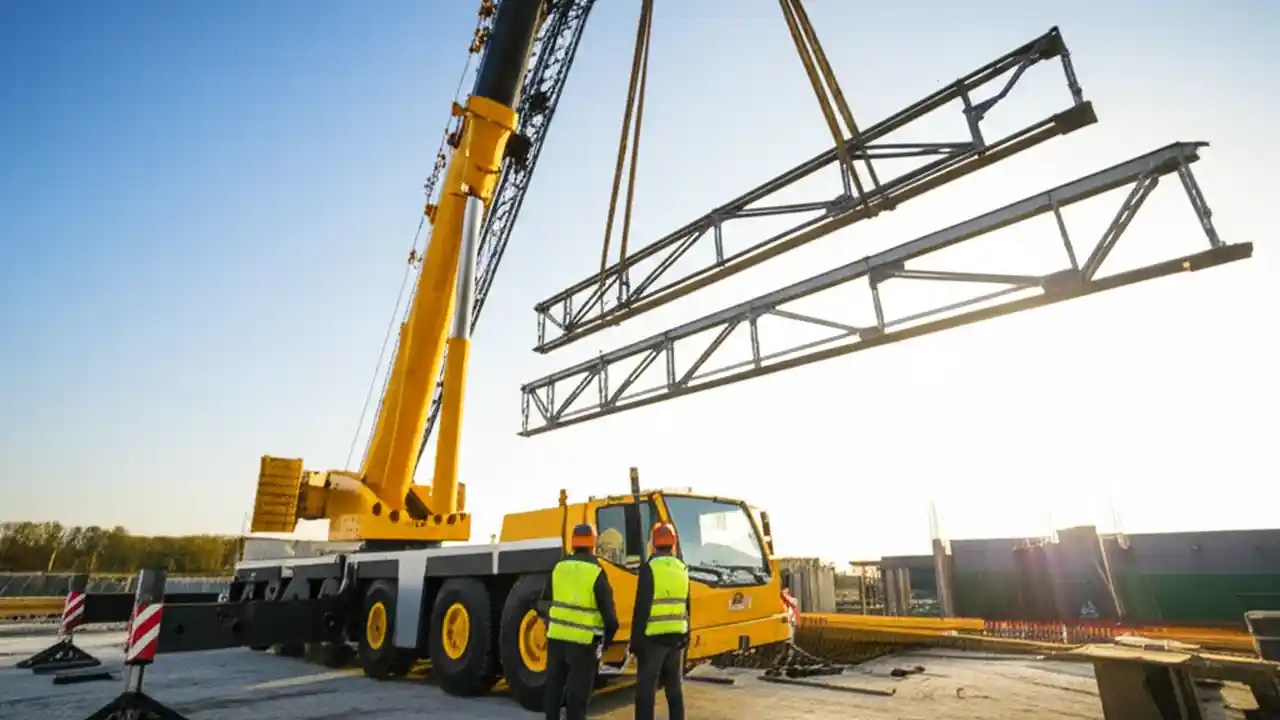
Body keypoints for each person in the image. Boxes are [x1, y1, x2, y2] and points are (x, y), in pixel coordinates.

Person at [540, 522, 619, 720]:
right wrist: (605, 644)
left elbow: (541, 603)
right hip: (584, 646)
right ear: (593, 544)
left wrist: (549, 624)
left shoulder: (559, 568)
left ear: (573, 543)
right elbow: (611, 619)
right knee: (577, 699)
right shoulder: (596, 573)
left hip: (556, 640)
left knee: (553, 695)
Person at [631, 522, 690, 720]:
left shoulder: (650, 568)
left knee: (646, 691)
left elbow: (642, 607)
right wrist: (686, 635)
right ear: (673, 544)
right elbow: (686, 605)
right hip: (677, 637)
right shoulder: (682, 568)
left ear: (653, 544)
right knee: (674, 689)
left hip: (653, 639)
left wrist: (635, 643)